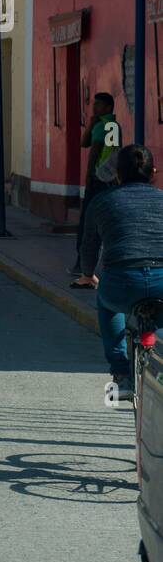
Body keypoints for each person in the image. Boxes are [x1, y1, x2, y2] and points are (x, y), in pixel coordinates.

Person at [78, 145, 163, 398]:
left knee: (107, 304)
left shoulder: (102, 201)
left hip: (121, 283)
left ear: (117, 173)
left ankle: (121, 375)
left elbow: (88, 247)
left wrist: (87, 274)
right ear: (153, 172)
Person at [72, 93, 120, 288]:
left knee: (87, 222)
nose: (94, 108)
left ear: (108, 107)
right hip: (110, 181)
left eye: (99, 105)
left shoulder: (104, 126)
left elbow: (91, 149)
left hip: (98, 180)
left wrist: (89, 179)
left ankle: (82, 265)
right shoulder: (113, 126)